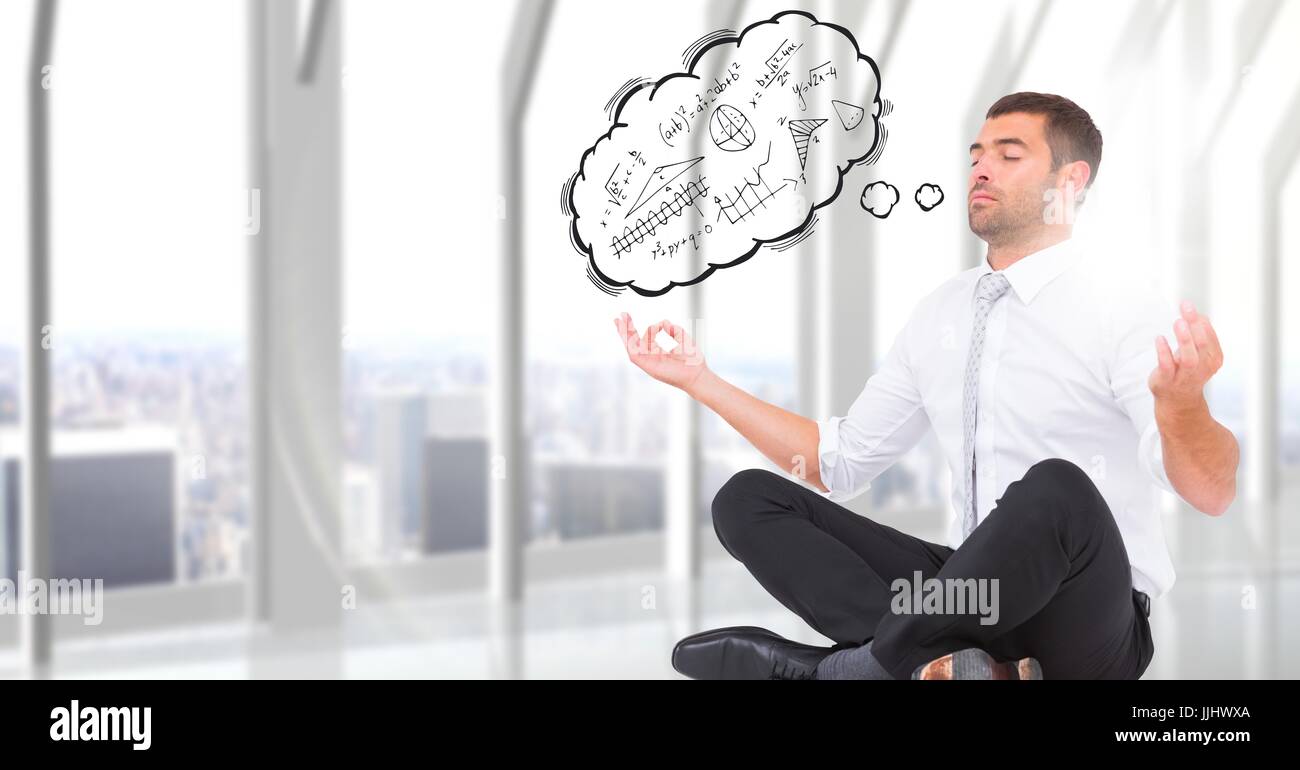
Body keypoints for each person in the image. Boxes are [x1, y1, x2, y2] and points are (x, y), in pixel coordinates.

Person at [612, 92, 1238, 680]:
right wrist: (700, 381)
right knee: (746, 500)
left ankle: (857, 668)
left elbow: (1212, 492)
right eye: (976, 156)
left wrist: (1182, 406)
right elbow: (840, 461)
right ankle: (945, 663)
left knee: (1058, 487)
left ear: (1069, 183)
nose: (981, 170)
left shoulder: (1121, 306)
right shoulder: (940, 312)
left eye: (1008, 155)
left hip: (1088, 616)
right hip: (972, 601)